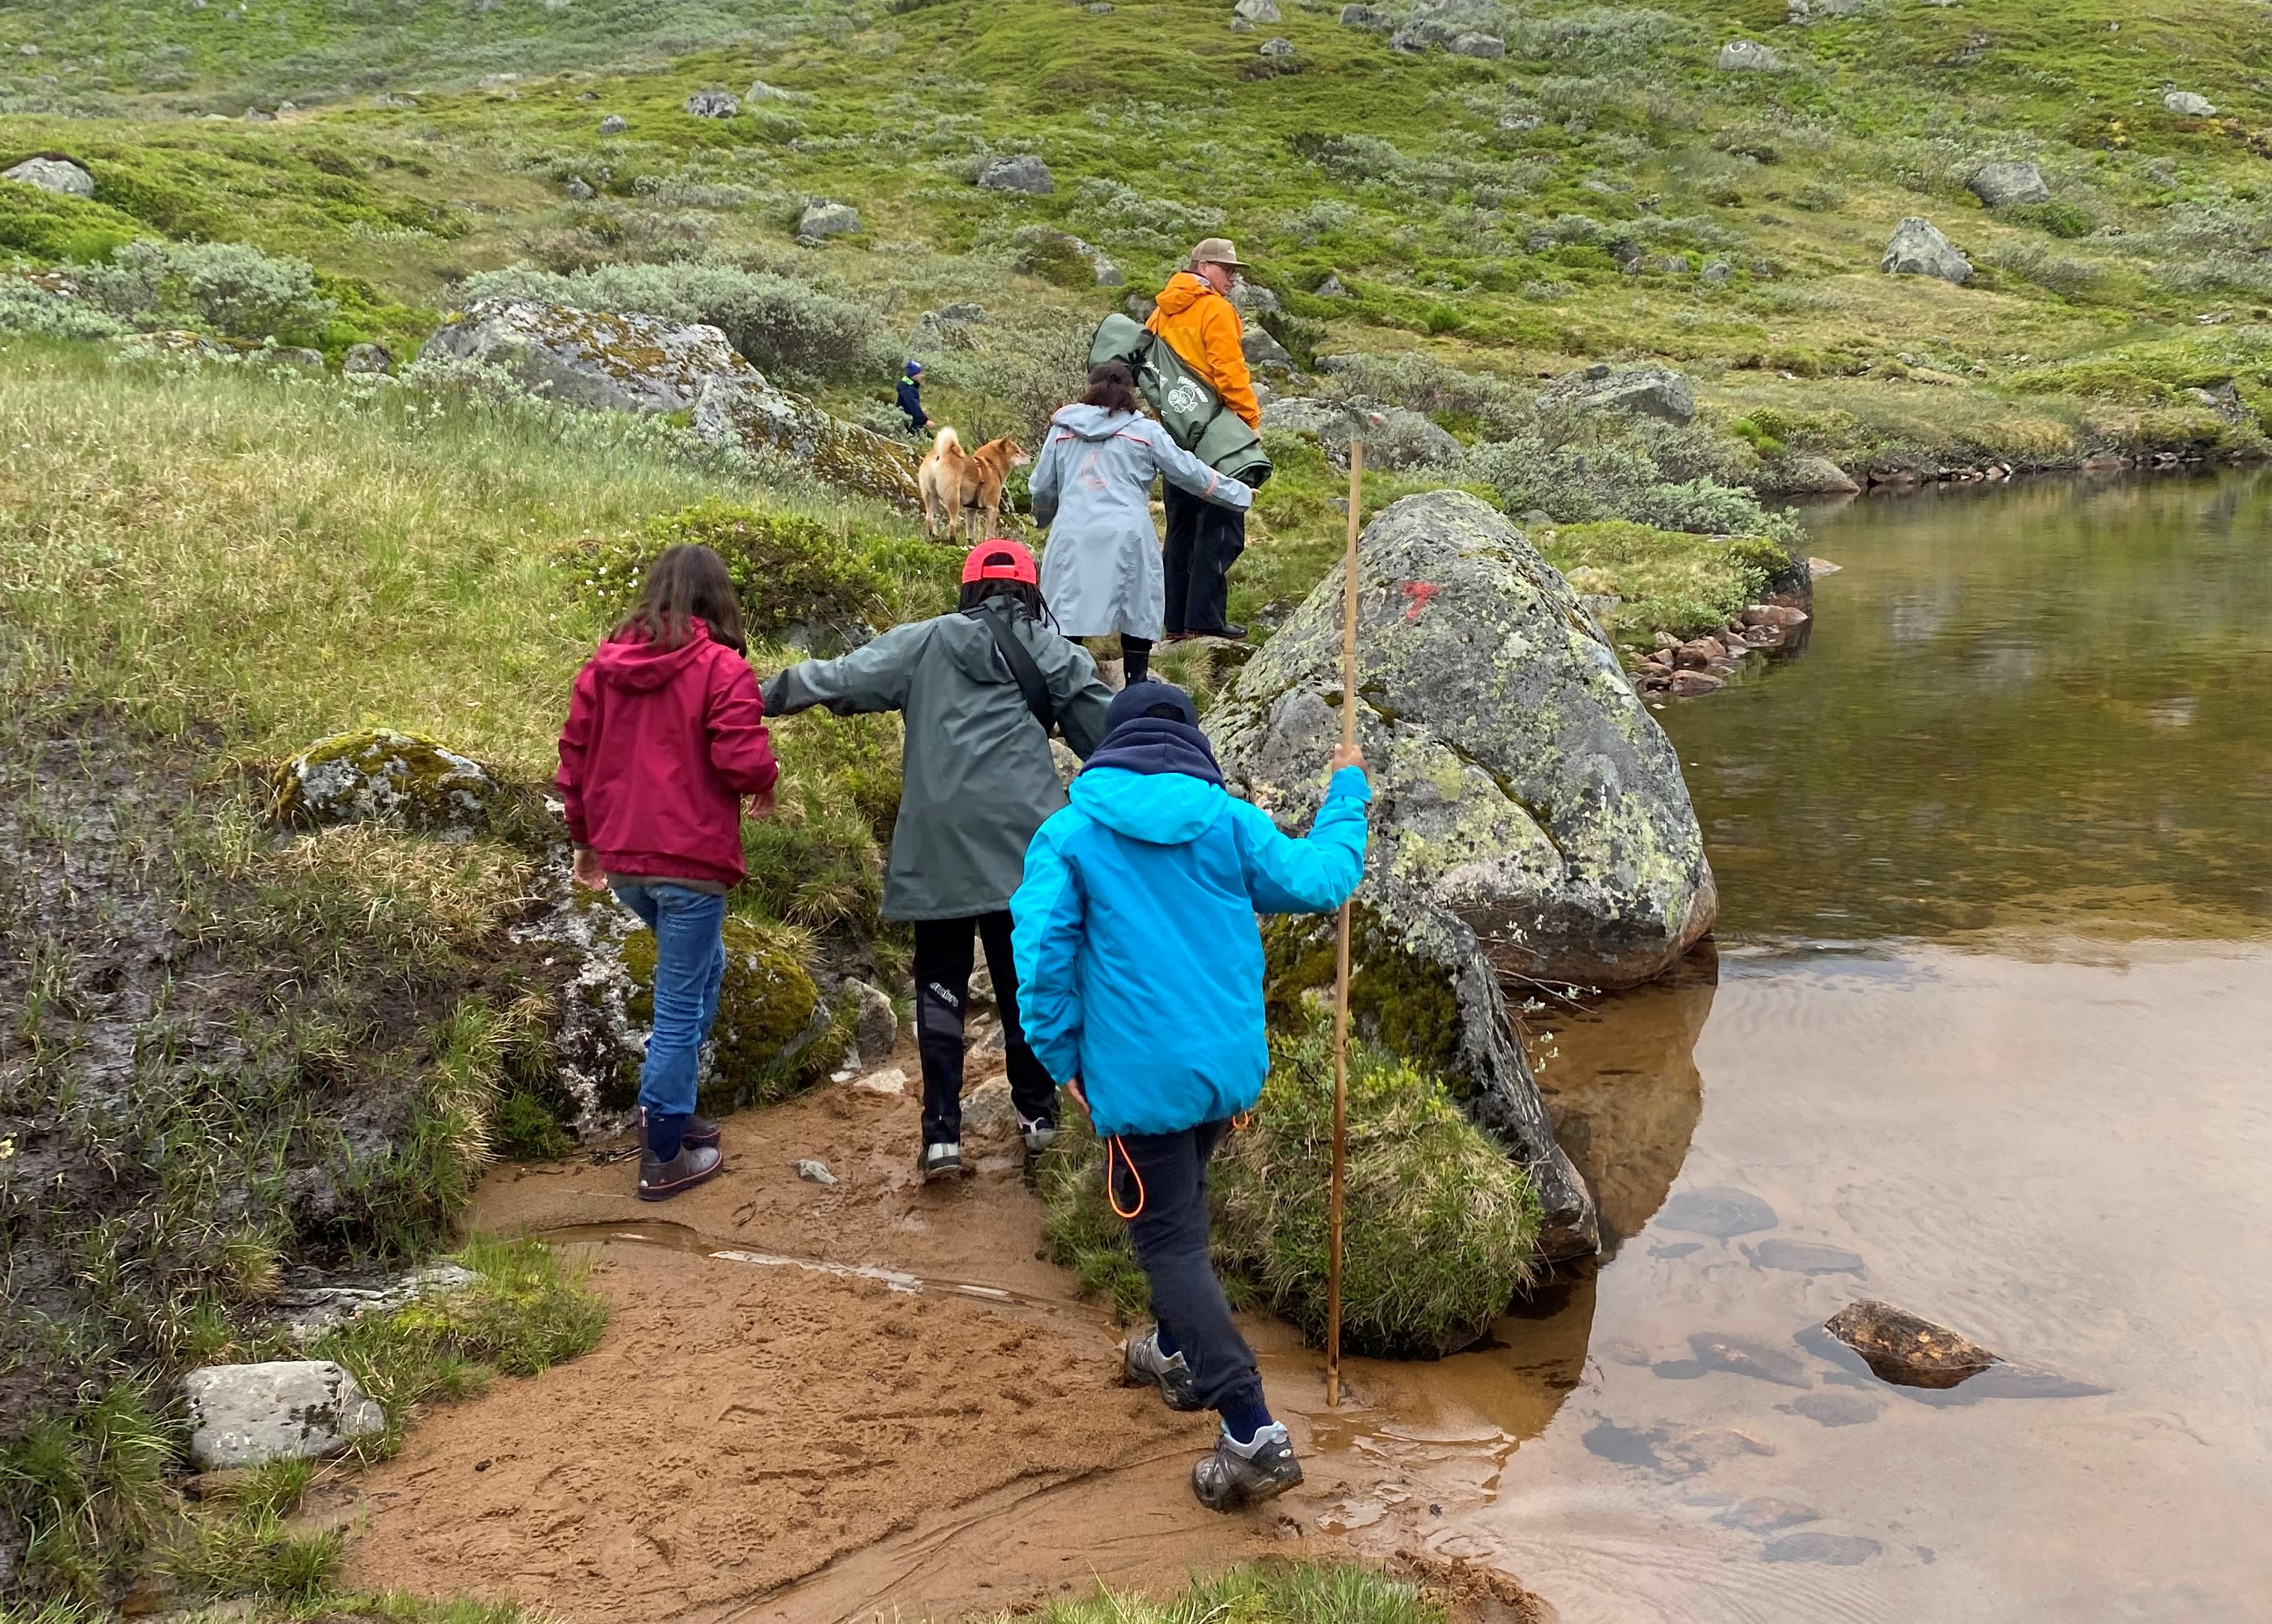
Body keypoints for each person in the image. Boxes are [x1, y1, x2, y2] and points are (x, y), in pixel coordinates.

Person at [1011, 681, 1368, 1510]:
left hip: (1138, 1080)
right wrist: (1347, 790)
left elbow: (1041, 962)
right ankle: (1173, 1349)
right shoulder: (1229, 821)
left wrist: (1063, 1057)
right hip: (1225, 1069)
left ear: (1111, 745)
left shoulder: (1069, 834)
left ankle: (1251, 1429)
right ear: (1190, 748)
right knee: (1183, 1209)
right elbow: (1321, 877)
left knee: (1169, 1243)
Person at [760, 541, 1113, 1181]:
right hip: (1027, 848)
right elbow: (1111, 739)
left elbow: (837, 678)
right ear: (1033, 591)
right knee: (1025, 986)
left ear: (968, 589)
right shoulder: (1052, 651)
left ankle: (942, 1138)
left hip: (937, 840)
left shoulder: (921, 643)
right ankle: (1038, 1124)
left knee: (942, 986)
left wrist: (754, 695)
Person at [557, 543, 780, 1203]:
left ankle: (673, 1109)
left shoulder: (601, 669)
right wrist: (767, 783)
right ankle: (662, 1155)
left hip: (627, 861)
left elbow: (574, 760)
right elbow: (740, 757)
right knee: (681, 1003)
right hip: (692, 862)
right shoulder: (722, 668)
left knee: (704, 970)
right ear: (718, 599)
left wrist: (586, 841)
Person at [1029, 360, 1255, 687]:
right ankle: (1136, 688)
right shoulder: (1145, 431)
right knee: (1136, 612)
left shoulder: (1062, 430)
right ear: (1132, 391)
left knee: (1065, 615)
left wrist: (1044, 517)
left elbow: (1041, 488)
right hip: (1128, 535)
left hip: (1073, 533)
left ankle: (1061, 694)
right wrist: (1238, 493)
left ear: (1089, 389)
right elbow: (1190, 472)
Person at [1144, 237, 1262, 644]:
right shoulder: (1216, 310)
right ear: (1205, 266)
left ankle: (1174, 622)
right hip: (1215, 434)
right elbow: (1230, 371)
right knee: (1221, 522)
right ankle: (1205, 620)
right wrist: (1247, 423)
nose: (1233, 278)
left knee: (1180, 528)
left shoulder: (1160, 313)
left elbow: (1151, 374)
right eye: (1228, 269)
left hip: (1175, 433)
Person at [896, 359, 929, 436]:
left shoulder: (909, 384)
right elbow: (914, 407)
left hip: (909, 420)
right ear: (914, 374)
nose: (922, 375)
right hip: (908, 423)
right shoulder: (908, 389)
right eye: (920, 373)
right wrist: (925, 421)